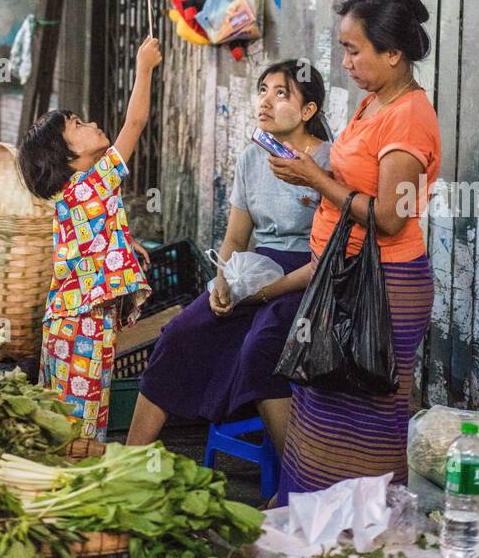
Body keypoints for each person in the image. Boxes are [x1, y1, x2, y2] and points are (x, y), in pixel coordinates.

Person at [267, 0, 440, 501]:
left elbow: (391, 217)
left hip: (382, 287)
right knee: (318, 406)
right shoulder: (375, 102)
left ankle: (358, 539)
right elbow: (356, 179)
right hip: (341, 276)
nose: (345, 63)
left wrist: (315, 178)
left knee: (364, 420)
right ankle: (313, 531)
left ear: (391, 54)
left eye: (353, 51)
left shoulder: (410, 118)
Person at [126, 60, 332, 456]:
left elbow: (329, 256)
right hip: (256, 273)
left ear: (308, 112)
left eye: (281, 93)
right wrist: (223, 280)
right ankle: (125, 458)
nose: (265, 101)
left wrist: (266, 293)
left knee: (264, 343)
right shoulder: (251, 160)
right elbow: (237, 237)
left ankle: (289, 486)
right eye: (263, 90)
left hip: (308, 280)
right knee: (182, 332)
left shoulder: (328, 163)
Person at [19, 36, 161, 441]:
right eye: (77, 126)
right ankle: (74, 486)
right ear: (66, 157)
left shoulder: (77, 193)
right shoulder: (92, 183)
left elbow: (91, 239)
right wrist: (144, 67)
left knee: (62, 418)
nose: (91, 124)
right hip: (81, 325)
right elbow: (135, 123)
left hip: (67, 322)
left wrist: (124, 245)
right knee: (80, 427)